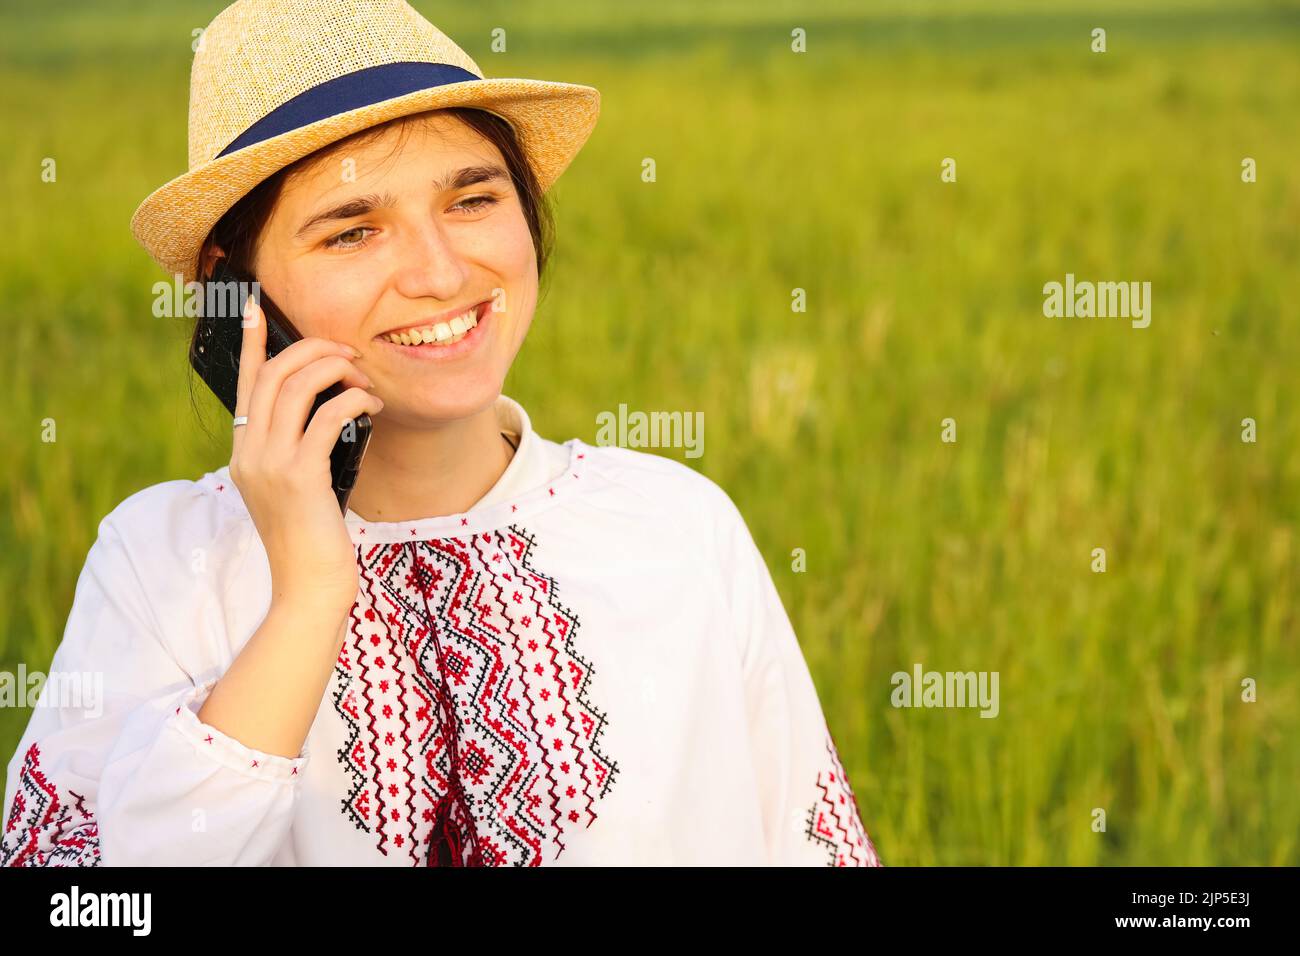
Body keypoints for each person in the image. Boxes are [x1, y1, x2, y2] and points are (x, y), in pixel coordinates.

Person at [1, 0, 881, 867]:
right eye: (352, 232)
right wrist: (308, 597)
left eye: (472, 200)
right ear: (238, 293)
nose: (440, 272)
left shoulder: (680, 527)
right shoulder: (163, 566)